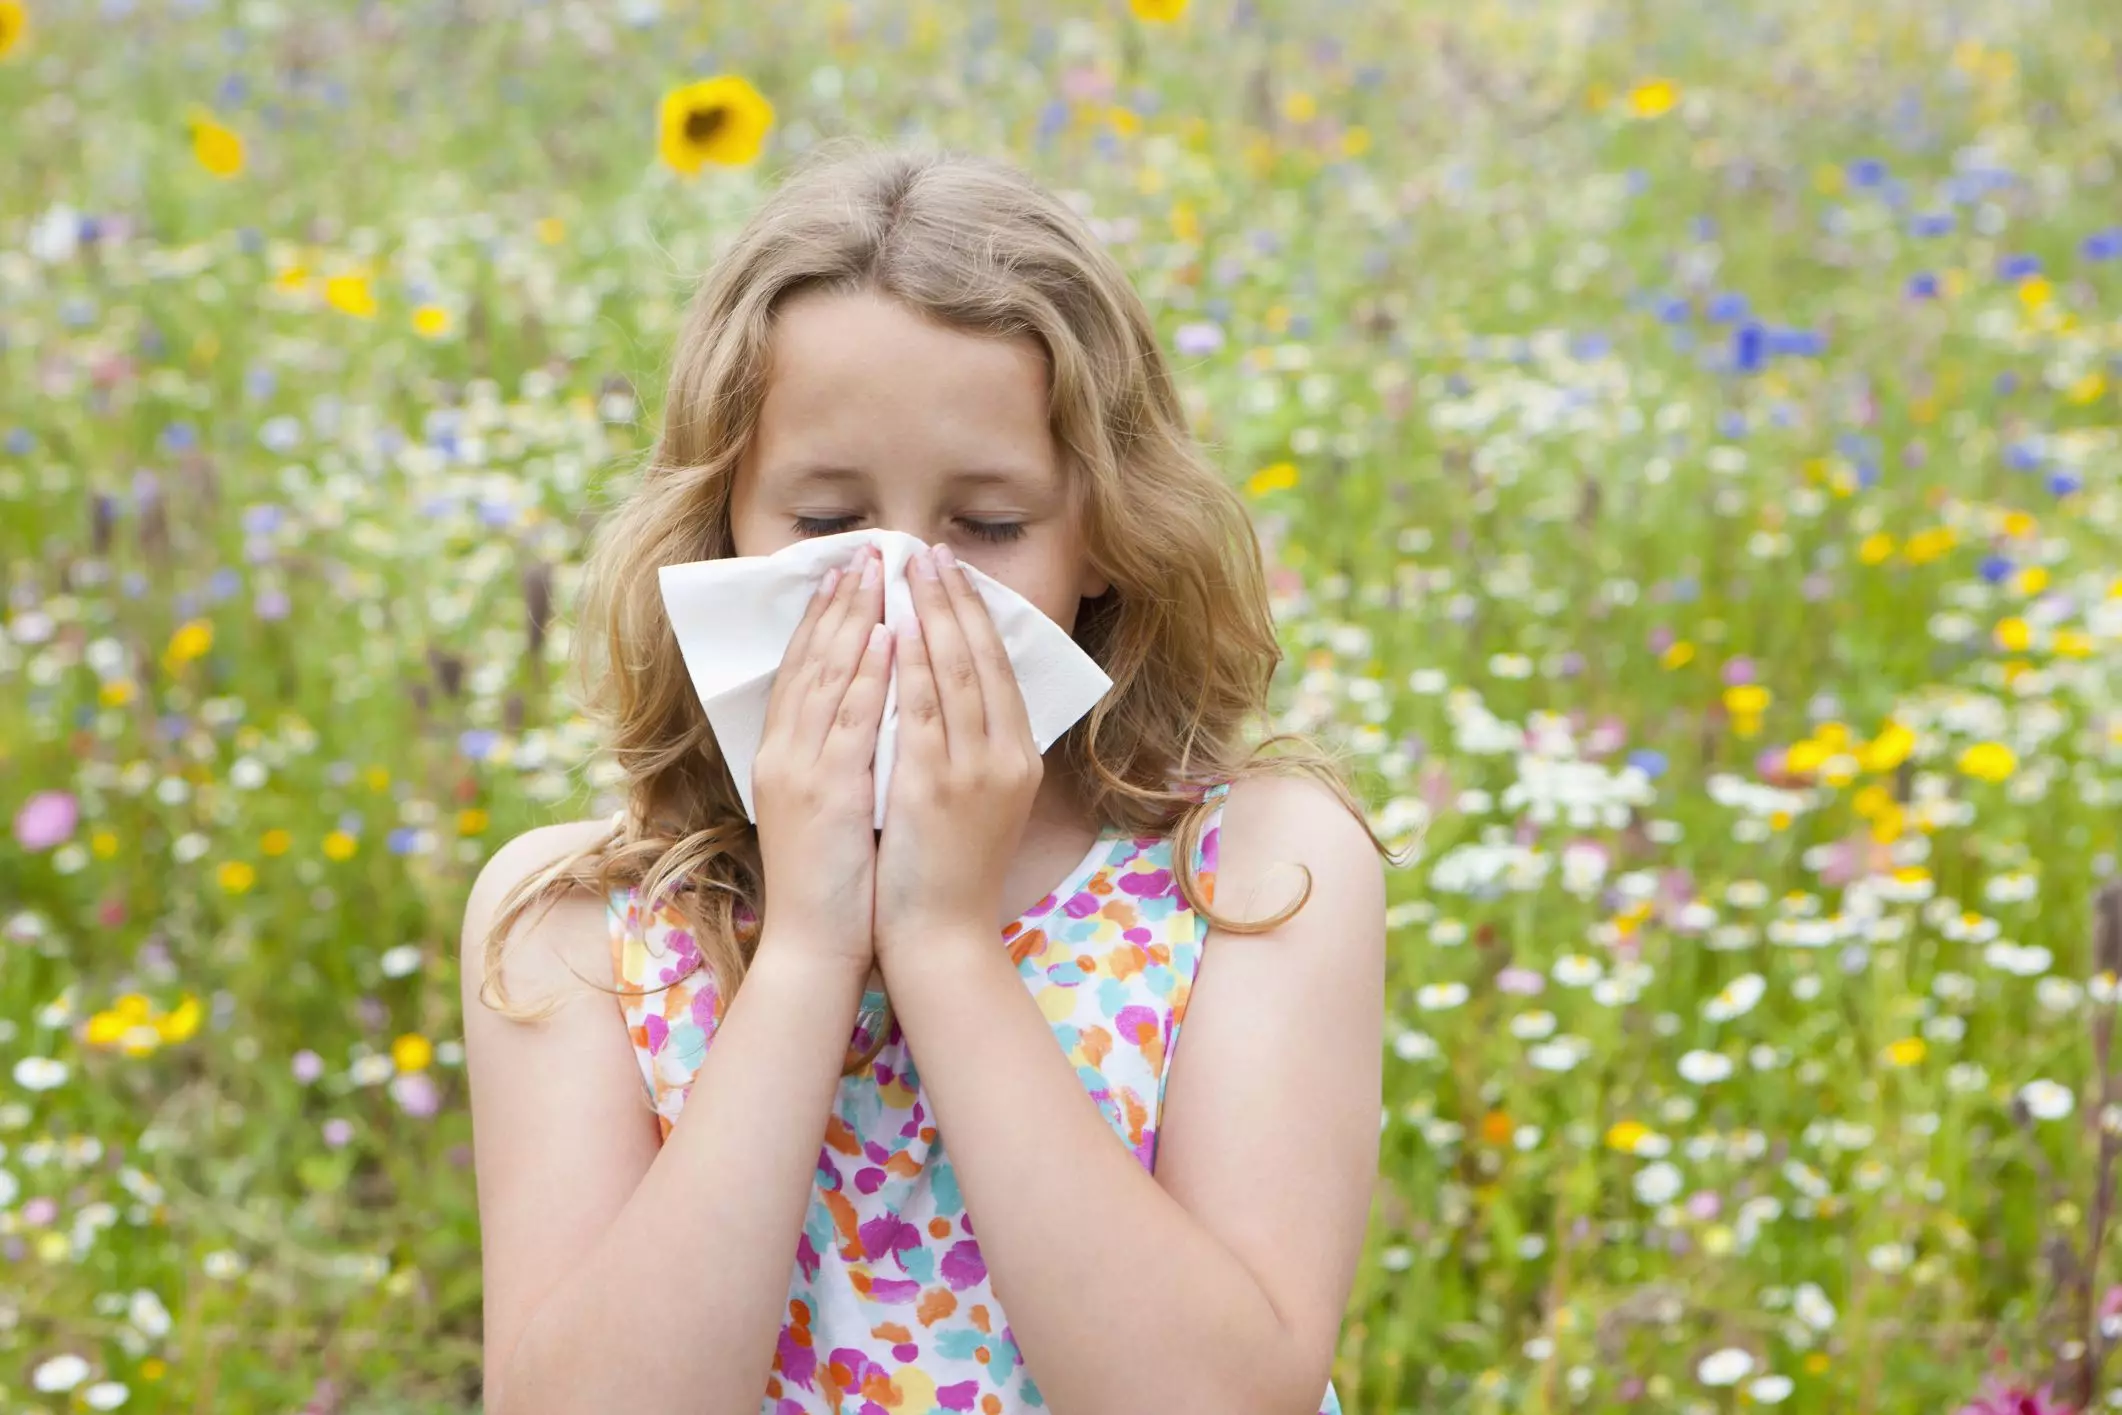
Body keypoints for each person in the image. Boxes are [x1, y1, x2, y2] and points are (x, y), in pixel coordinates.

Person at [459, 138, 1388, 1415]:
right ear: (721, 518)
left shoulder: (1254, 871)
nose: (902, 587)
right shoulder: (576, 925)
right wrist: (805, 951)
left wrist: (946, 942)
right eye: (829, 522)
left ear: (1104, 532)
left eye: (988, 525)